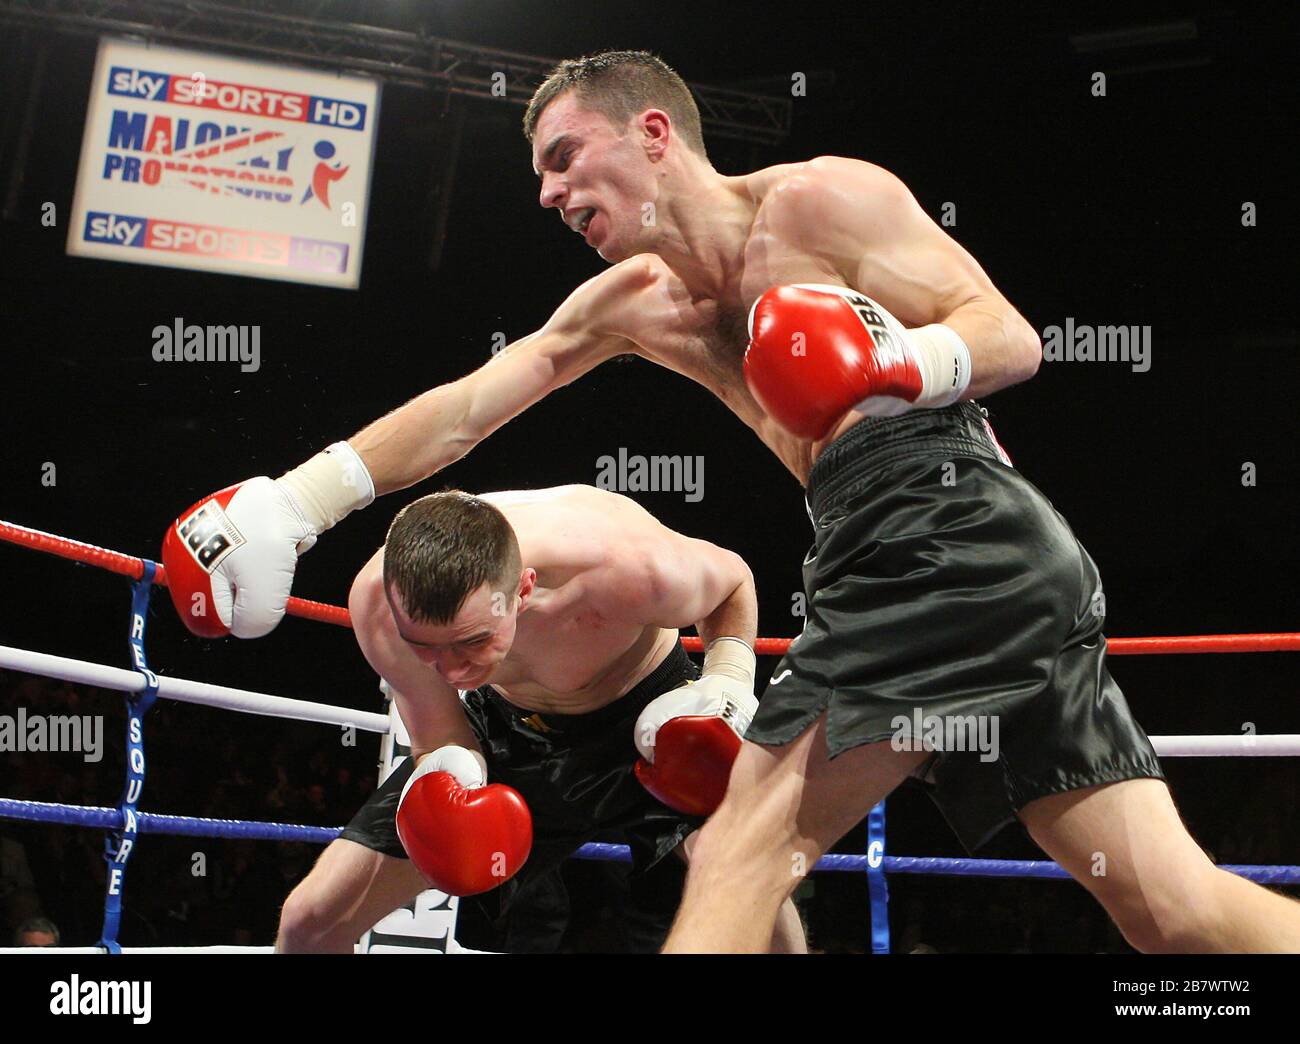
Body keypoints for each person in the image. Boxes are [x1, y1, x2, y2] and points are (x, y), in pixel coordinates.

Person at [163, 51, 1300, 953]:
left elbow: (1008, 336)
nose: (552, 193)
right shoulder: (626, 304)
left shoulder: (820, 201)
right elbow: (465, 411)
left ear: (652, 133)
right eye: (540, 180)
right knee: (1178, 915)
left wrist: (885, 358)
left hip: (935, 521)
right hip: (968, 565)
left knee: (739, 853)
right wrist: (297, 503)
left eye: (566, 157)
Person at [273, 486, 805, 953]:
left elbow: (733, 580)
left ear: (523, 590)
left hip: (652, 724)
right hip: (505, 733)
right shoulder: (379, 607)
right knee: (309, 925)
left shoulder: (628, 569)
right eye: (426, 648)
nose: (453, 670)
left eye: (473, 640)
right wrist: (447, 771)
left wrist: (729, 688)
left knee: (760, 911)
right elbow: (441, 734)